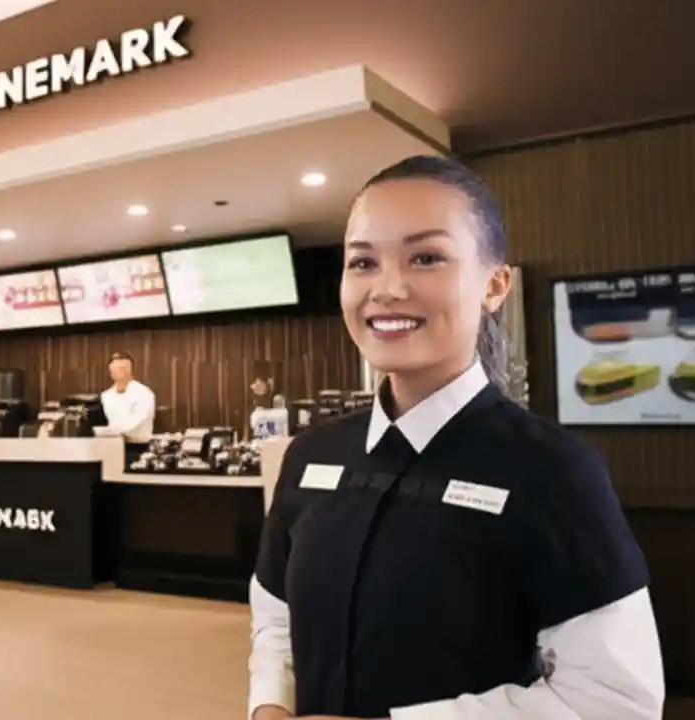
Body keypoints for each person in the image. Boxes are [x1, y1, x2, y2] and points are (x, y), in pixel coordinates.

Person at [248, 155, 665, 720]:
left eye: (426, 257)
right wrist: (270, 704)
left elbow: (615, 700)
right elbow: (276, 614)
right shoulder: (312, 455)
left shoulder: (552, 470)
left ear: (495, 285)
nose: (387, 288)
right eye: (362, 262)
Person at [99, 351, 155, 443]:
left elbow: (138, 422)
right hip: (112, 444)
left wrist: (116, 432)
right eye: (114, 369)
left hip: (138, 445)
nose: (117, 372)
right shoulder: (106, 396)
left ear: (129, 370)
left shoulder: (144, 394)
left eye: (121, 369)